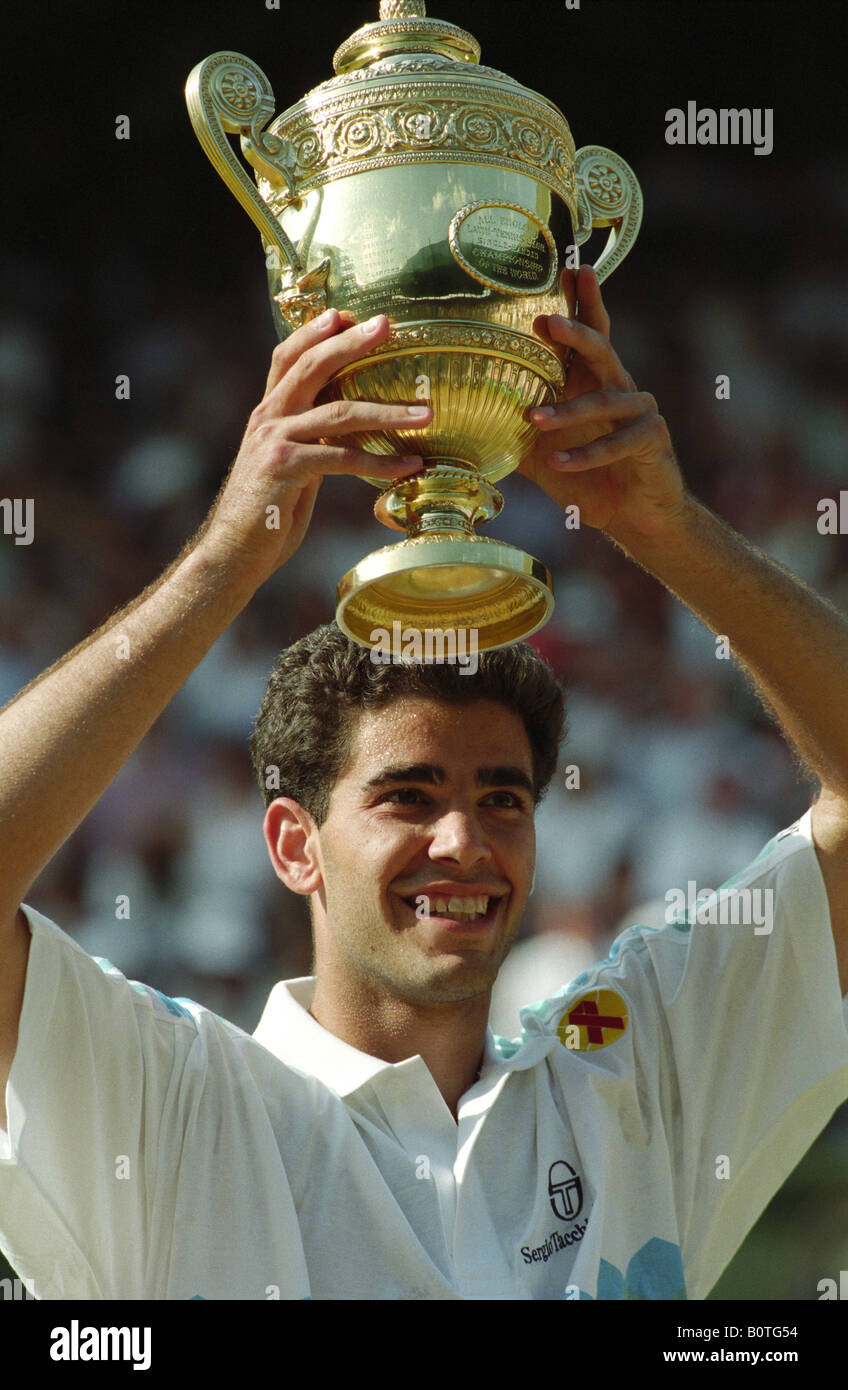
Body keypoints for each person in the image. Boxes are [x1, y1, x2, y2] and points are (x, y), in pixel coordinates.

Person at [1, 266, 847, 1300]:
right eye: (406, 795)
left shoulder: (632, 1069)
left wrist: (668, 533)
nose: (464, 841)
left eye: (501, 796)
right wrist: (225, 559)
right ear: (291, 842)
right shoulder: (170, 1101)